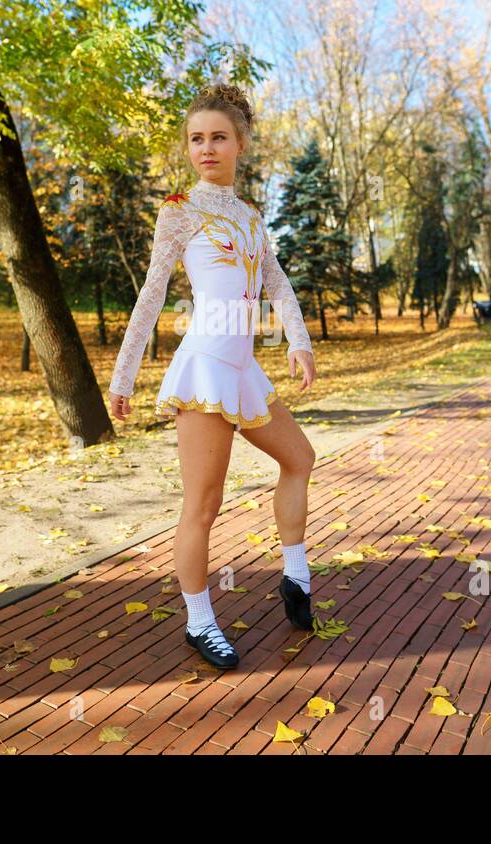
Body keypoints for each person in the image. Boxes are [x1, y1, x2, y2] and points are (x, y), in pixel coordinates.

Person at [107, 83, 318, 670]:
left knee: (300, 458)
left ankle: (295, 578)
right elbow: (151, 296)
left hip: (244, 369)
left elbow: (275, 282)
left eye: (218, 137)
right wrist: (123, 377)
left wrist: (298, 342)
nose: (206, 147)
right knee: (204, 502)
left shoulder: (250, 216)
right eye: (196, 138)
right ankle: (200, 623)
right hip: (203, 368)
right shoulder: (179, 210)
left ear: (240, 144)